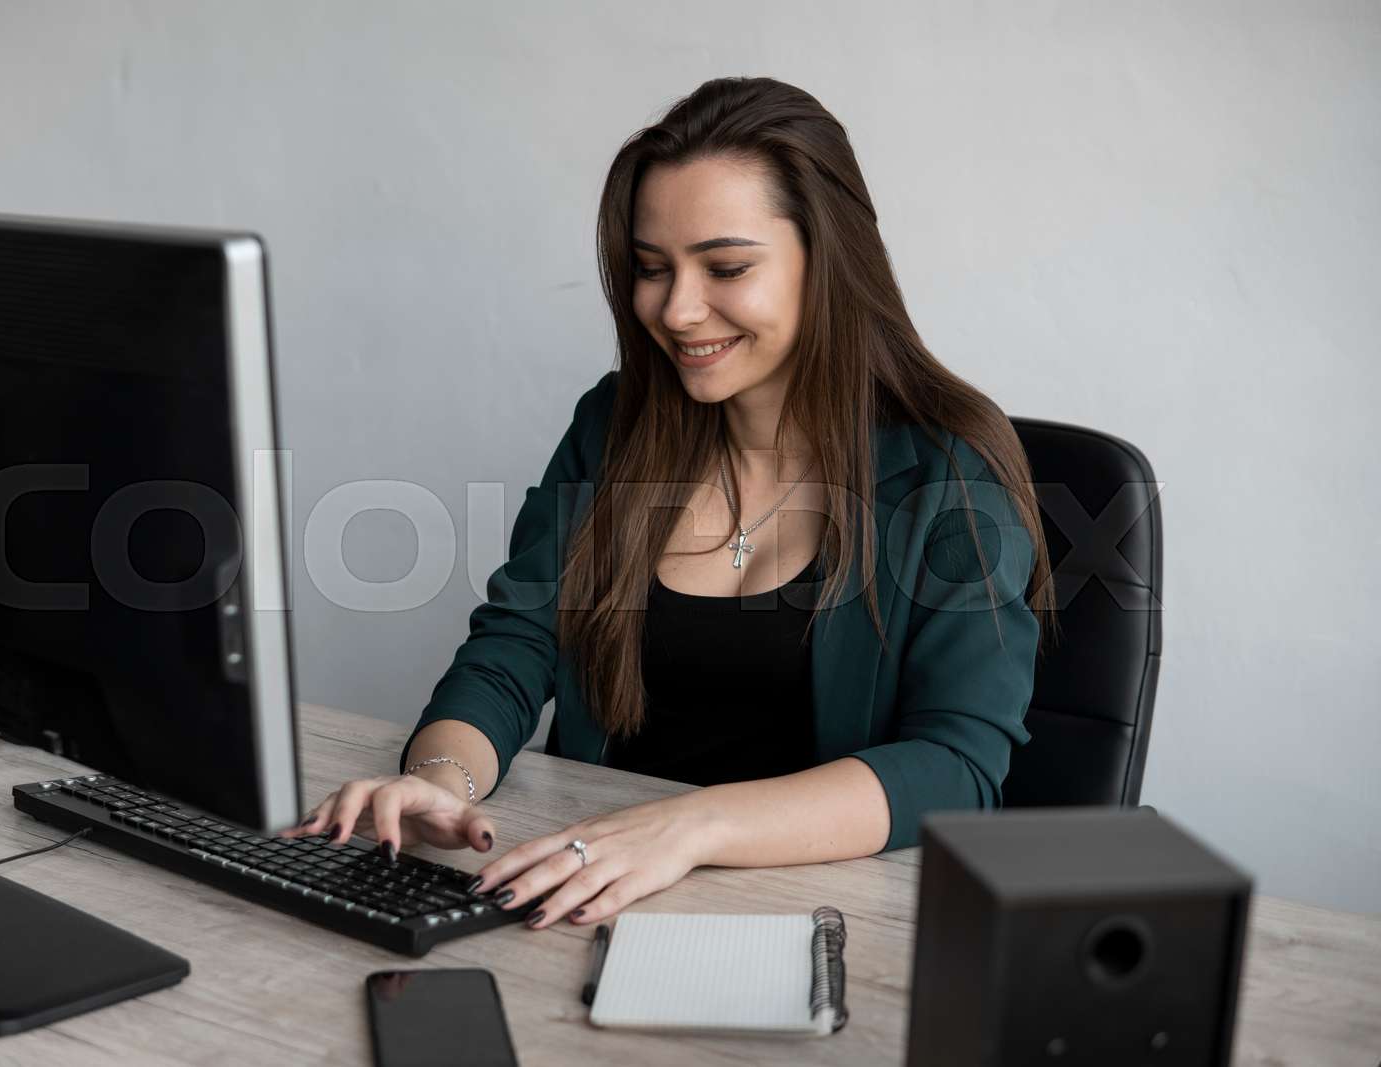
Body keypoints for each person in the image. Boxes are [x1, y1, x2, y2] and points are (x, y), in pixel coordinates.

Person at [286, 76, 1057, 932]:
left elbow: (955, 765)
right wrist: (440, 781)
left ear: (828, 261)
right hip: (590, 887)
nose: (677, 309)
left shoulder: (953, 472)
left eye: (726, 266)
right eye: (653, 269)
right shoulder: (615, 424)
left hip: (816, 915)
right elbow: (514, 648)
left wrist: (686, 827)